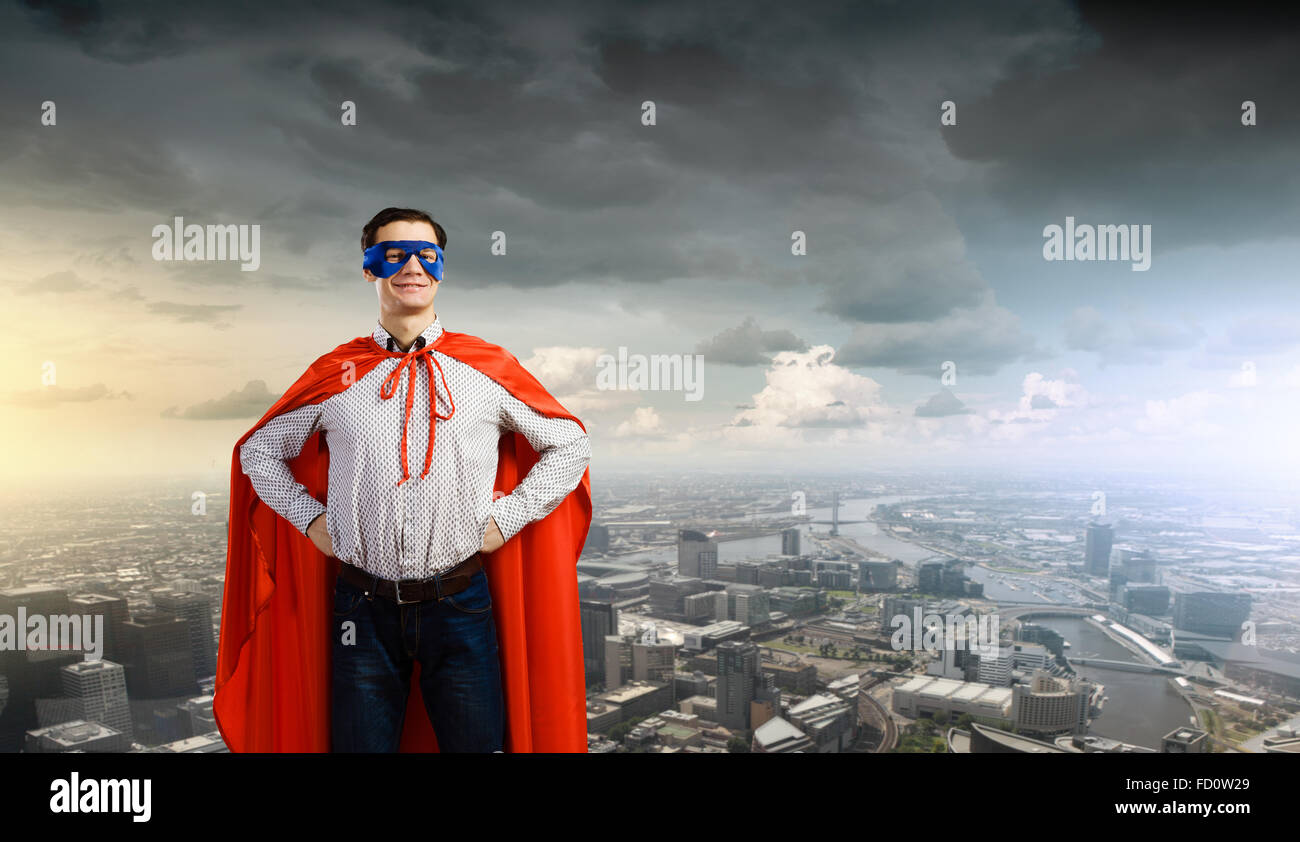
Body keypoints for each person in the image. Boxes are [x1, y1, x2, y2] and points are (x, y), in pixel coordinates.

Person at [214, 207, 593, 752]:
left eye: (426, 253)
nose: (412, 265)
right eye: (393, 254)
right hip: (360, 612)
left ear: (440, 269)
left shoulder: (485, 369)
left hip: (460, 604)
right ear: (370, 269)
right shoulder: (337, 373)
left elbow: (569, 442)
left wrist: (507, 520)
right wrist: (312, 520)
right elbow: (259, 451)